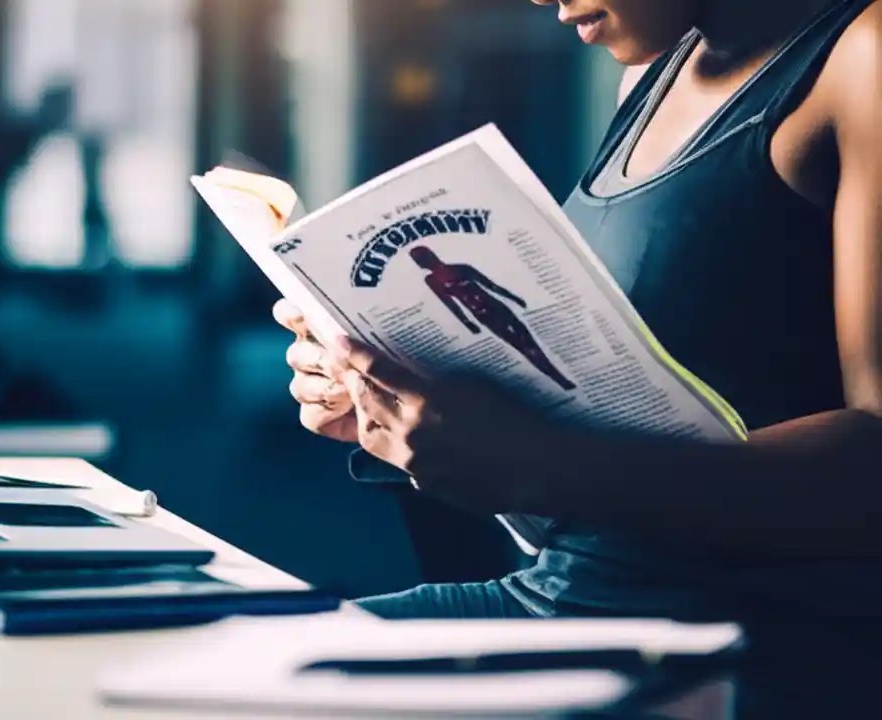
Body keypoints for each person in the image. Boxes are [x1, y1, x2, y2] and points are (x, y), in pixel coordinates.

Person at [277, 0, 882, 620]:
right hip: (567, 590)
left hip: (732, 627)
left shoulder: (865, 56)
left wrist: (540, 463)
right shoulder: (651, 76)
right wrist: (394, 398)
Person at [410, 246, 576, 391]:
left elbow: (490, 286)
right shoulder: (432, 280)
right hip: (484, 314)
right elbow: (449, 303)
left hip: (494, 307)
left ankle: (559, 378)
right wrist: (467, 323)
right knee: (521, 345)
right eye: (418, 260)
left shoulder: (461, 268)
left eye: (421, 258)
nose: (421, 263)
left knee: (527, 341)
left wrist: (513, 297)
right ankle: (559, 380)